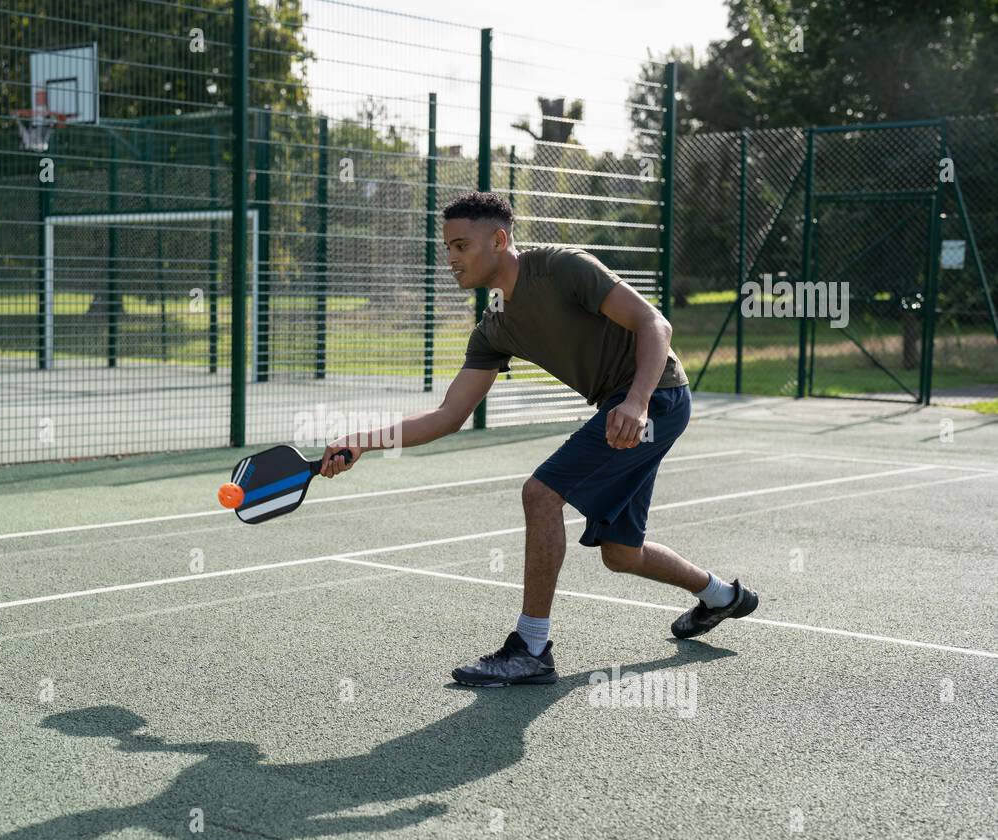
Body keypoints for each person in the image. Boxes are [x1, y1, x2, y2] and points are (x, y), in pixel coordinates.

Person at [319, 191, 758, 686]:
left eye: (461, 246)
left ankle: (531, 648)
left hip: (653, 398)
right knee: (621, 553)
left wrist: (636, 402)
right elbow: (448, 415)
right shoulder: (495, 326)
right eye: (447, 247)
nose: (451, 258)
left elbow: (654, 323)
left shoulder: (563, 269)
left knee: (540, 493)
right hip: (626, 408)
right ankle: (723, 596)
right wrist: (362, 440)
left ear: (500, 239)